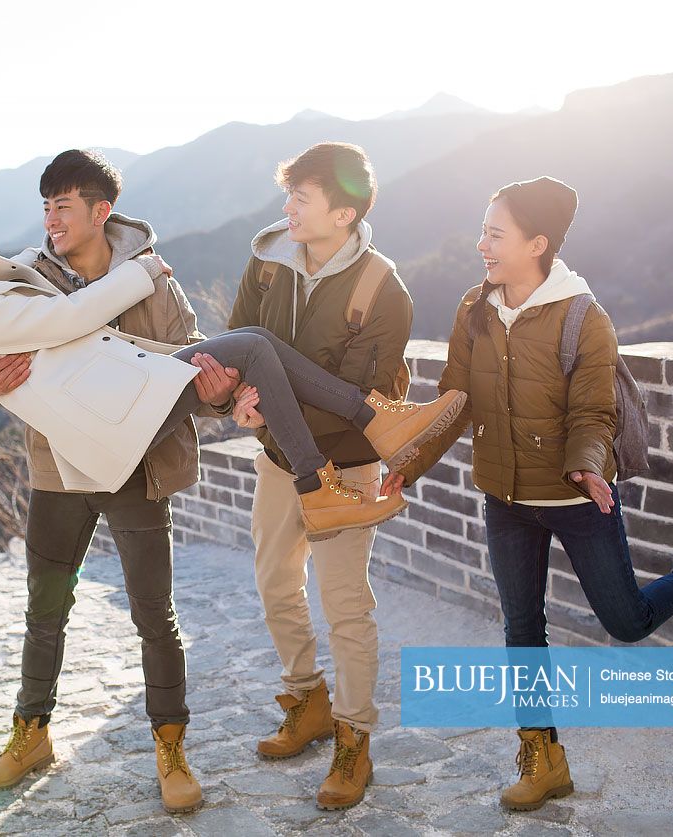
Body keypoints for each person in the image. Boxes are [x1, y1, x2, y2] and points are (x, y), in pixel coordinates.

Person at [0, 154, 463, 812]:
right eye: (42, 206)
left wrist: (223, 395)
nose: (47, 220)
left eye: (61, 206)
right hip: (59, 466)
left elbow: (201, 365)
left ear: (101, 212)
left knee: (156, 616)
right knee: (45, 612)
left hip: (138, 453)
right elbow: (5, 361)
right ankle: (30, 733)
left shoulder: (147, 284)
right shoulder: (29, 276)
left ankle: (172, 746)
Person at [384, 176, 673, 812]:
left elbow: (595, 412)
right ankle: (542, 754)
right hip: (505, 500)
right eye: (483, 230)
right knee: (523, 627)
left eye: (496, 233)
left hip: (579, 500)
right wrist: (406, 466)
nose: (481, 244)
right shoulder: (476, 308)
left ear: (537, 243)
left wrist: (585, 467)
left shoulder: (583, 317)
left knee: (626, 622)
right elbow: (453, 401)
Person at [225, 142, 422, 810]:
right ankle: (306, 700)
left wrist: (265, 391)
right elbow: (232, 344)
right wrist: (236, 400)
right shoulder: (267, 260)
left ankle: (354, 737)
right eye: (289, 196)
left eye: (301, 199)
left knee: (344, 604)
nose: (287, 210)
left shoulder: (381, 288)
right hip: (278, 456)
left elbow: (360, 392)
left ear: (343, 212)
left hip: (349, 464)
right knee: (275, 581)